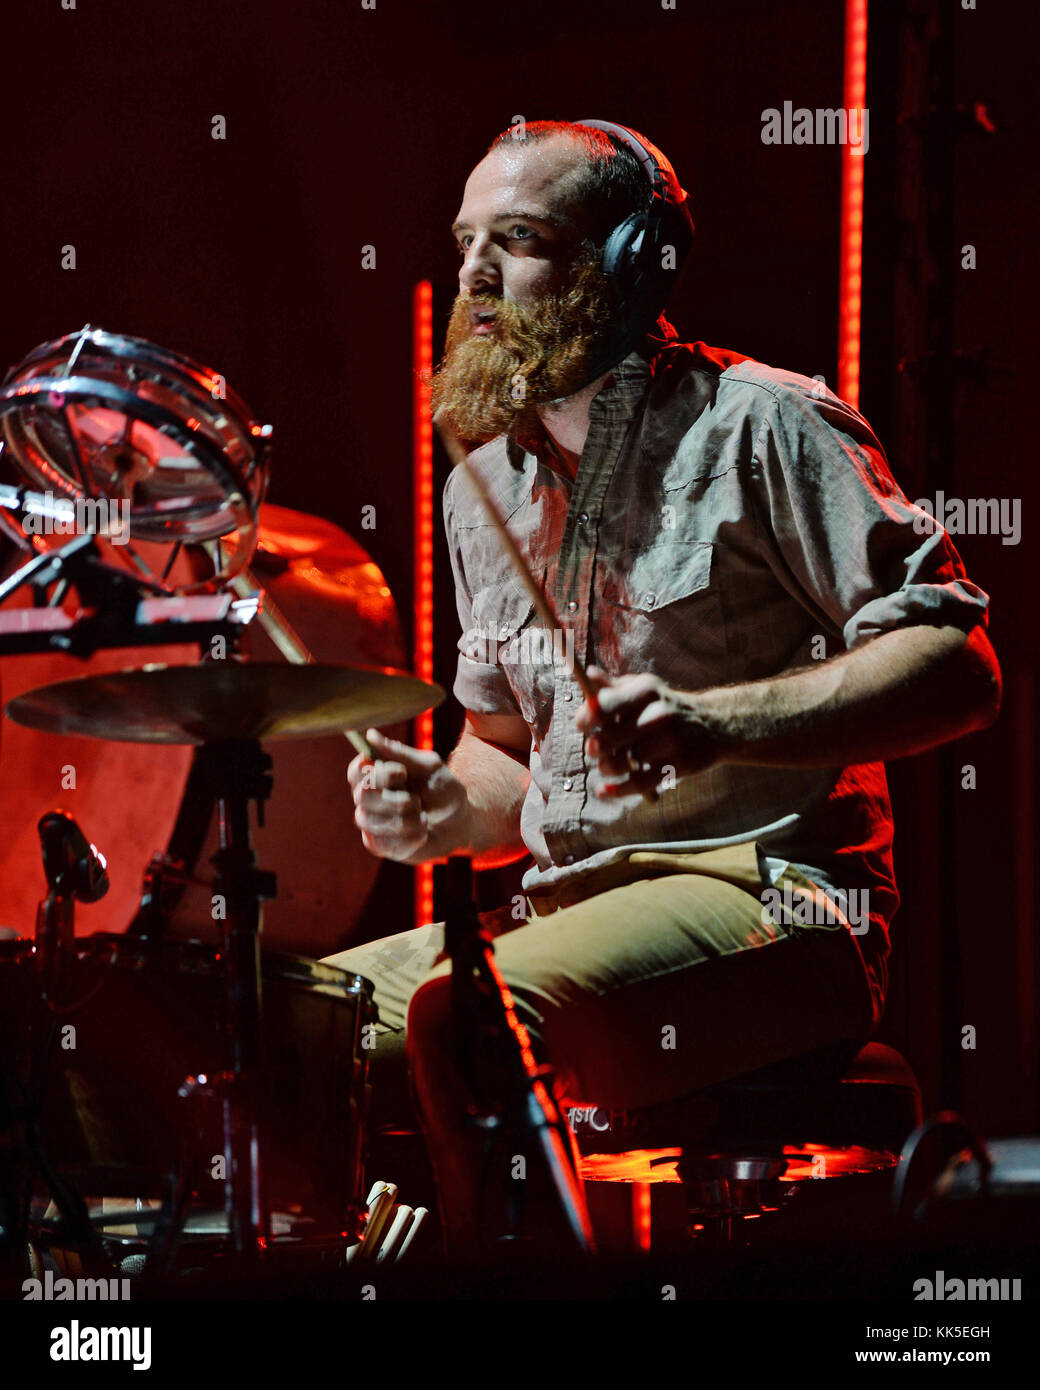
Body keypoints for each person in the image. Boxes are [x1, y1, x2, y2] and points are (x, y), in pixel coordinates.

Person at [324, 120, 1001, 1257]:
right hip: (566, 915)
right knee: (280, 1018)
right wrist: (441, 806)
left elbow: (954, 662)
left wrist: (713, 723)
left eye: (520, 238)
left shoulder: (767, 425)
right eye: (463, 242)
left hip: (777, 904)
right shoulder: (480, 485)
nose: (475, 273)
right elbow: (502, 751)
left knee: (468, 1017)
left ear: (628, 259)